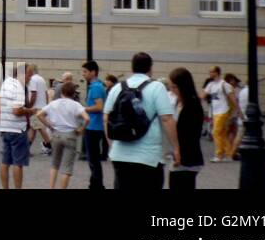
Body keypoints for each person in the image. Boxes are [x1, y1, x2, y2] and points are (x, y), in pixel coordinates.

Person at [104, 52, 179, 190]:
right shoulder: (157, 87)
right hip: (149, 157)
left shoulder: (117, 88)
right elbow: (167, 119)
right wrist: (176, 148)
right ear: (150, 68)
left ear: (132, 68)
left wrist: (111, 145)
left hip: (120, 156)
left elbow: (106, 118)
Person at [35, 81, 88, 189]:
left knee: (55, 164)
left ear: (61, 92)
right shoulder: (76, 105)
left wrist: (49, 126)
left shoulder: (54, 103)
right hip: (70, 135)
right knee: (67, 167)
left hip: (57, 134)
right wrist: (81, 129)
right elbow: (87, 118)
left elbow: (39, 114)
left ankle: (51, 187)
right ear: (73, 94)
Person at [166, 67, 204, 190]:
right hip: (179, 156)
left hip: (187, 157)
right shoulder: (178, 102)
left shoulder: (192, 105)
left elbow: (190, 135)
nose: (171, 90)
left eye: (174, 87)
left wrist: (179, 153)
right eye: (170, 87)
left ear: (183, 86)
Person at [0, 67, 35, 189]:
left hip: (5, 127)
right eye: (29, 76)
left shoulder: (5, 84)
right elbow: (17, 110)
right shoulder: (18, 87)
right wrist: (30, 111)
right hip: (17, 129)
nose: (29, 79)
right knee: (18, 163)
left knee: (5, 162)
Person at [82, 60, 107, 189]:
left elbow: (99, 106)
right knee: (93, 158)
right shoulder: (97, 86)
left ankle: (98, 185)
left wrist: (83, 109)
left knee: (93, 159)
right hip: (95, 126)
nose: (83, 74)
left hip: (93, 126)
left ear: (93, 72)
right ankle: (94, 183)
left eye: (85, 72)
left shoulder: (96, 87)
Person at [203, 66, 235, 163]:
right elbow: (202, 95)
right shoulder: (211, 84)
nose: (210, 73)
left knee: (215, 132)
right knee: (222, 133)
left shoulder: (224, 84)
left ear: (217, 73)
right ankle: (229, 154)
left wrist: (237, 110)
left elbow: (232, 98)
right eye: (209, 72)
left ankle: (219, 154)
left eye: (212, 72)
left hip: (223, 111)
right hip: (215, 112)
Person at [27, 64, 51, 154]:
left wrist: (29, 106)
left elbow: (33, 94)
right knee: (34, 128)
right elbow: (46, 93)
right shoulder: (42, 79)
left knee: (40, 128)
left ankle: (49, 145)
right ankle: (26, 148)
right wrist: (47, 106)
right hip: (42, 106)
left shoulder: (32, 79)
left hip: (35, 107)